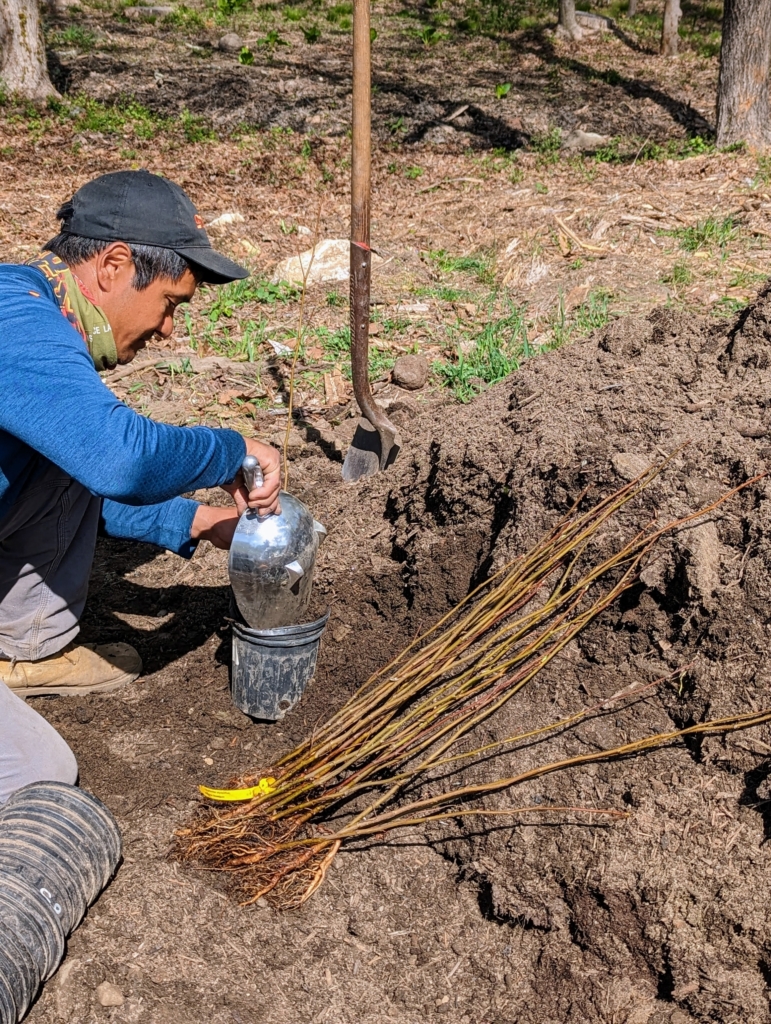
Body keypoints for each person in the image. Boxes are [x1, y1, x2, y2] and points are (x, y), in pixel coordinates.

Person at [0, 169, 281, 803]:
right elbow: (119, 463)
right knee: (37, 775)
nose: (169, 331)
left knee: (65, 445)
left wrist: (196, 522)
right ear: (115, 265)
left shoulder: (40, 321)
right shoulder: (12, 319)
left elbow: (73, 479)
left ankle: (22, 652)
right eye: (171, 305)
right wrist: (232, 449)